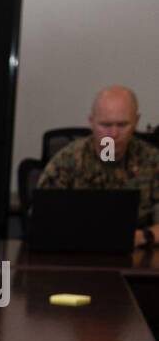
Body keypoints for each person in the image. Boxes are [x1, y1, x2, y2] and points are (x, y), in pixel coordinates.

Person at [37, 85, 159, 249]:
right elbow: (42, 222)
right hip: (76, 256)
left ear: (136, 122)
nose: (113, 134)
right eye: (105, 125)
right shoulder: (68, 161)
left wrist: (143, 237)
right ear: (91, 122)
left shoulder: (152, 160)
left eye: (122, 125)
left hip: (136, 258)